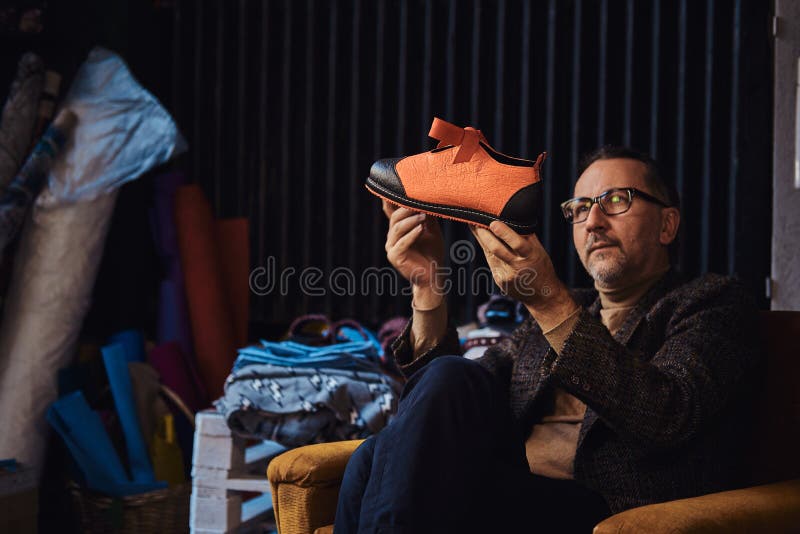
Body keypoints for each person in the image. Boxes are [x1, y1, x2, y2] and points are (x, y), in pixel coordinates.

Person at [334, 146, 760, 533]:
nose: (593, 221)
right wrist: (428, 285)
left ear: (667, 224)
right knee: (371, 457)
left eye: (616, 200)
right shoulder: (556, 315)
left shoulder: (710, 302)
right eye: (579, 207)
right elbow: (446, 405)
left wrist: (549, 300)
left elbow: (670, 416)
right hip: (510, 494)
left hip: (600, 511)